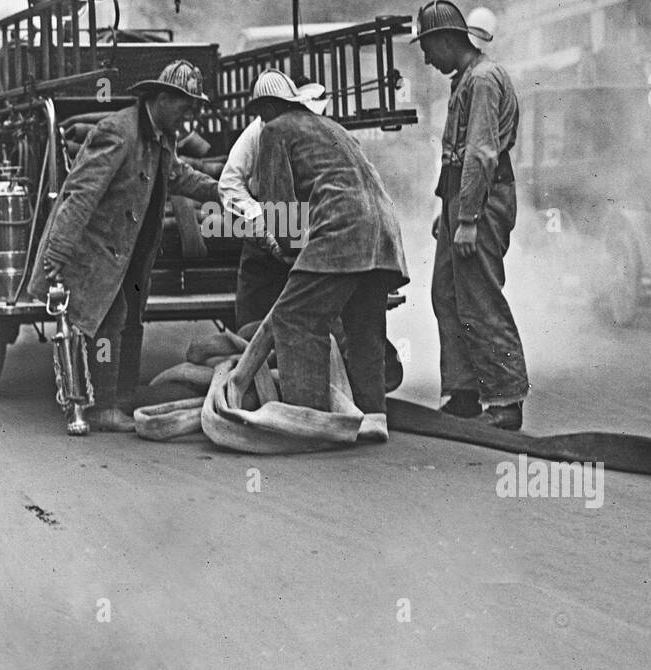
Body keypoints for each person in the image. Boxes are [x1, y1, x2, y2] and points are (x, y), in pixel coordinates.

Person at [35, 60, 221, 432]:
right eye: (186, 105)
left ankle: (121, 397)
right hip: (98, 248)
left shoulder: (161, 135)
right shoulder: (118, 133)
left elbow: (178, 175)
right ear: (164, 98)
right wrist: (57, 254)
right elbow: (80, 196)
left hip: (132, 249)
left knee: (131, 316)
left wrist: (221, 190)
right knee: (110, 317)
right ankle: (102, 406)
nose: (189, 115)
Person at [254, 85, 408, 418]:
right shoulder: (334, 127)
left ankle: (308, 419)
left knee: (294, 318)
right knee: (364, 329)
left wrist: (286, 248)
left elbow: (277, 202)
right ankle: (372, 417)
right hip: (384, 234)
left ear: (269, 107)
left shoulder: (275, 129)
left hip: (344, 232)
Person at [414, 0, 528, 430]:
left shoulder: (482, 80)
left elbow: (480, 154)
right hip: (462, 201)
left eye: (428, 46)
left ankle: (506, 399)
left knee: (480, 299)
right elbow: (455, 157)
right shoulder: (465, 79)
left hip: (482, 200)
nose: (426, 57)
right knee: (446, 293)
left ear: (447, 39)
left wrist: (466, 219)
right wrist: (447, 210)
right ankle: (463, 392)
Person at [218, 69, 328, 327]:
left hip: (306, 239)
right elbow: (229, 183)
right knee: (250, 327)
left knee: (307, 324)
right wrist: (263, 226)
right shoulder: (256, 132)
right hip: (263, 247)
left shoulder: (314, 129)